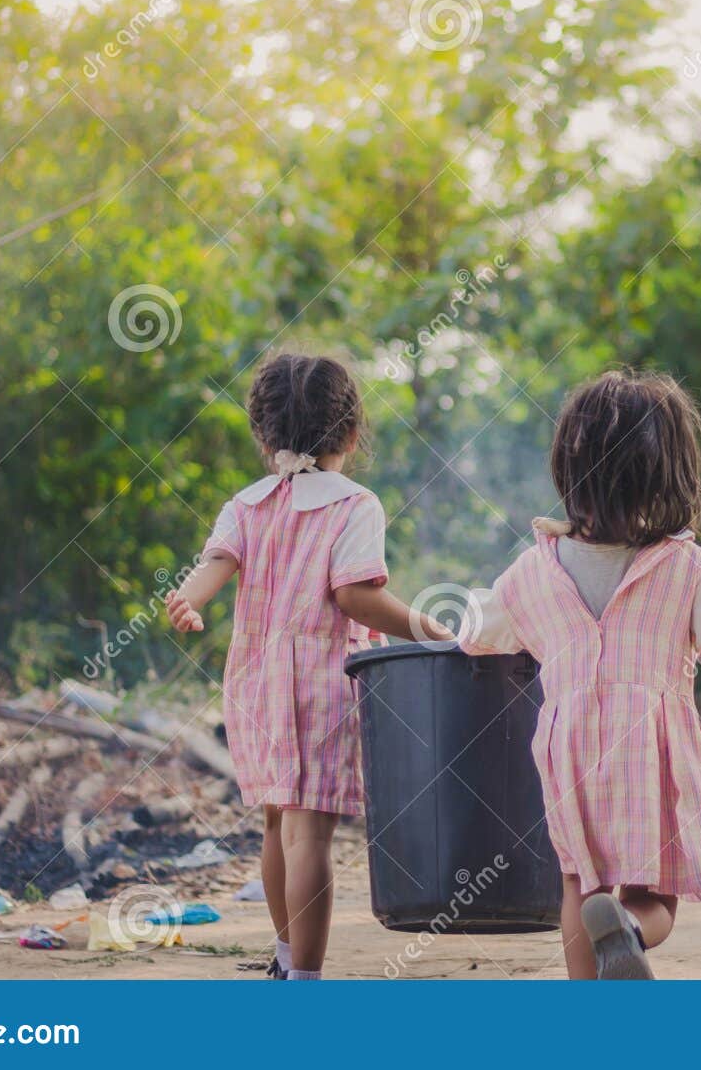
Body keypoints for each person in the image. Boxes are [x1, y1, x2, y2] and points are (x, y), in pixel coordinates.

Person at [459, 369, 701, 979]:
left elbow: (474, 638)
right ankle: (630, 929)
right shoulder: (683, 566)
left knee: (579, 881)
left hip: (567, 745)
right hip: (651, 748)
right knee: (653, 894)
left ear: (570, 471)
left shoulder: (533, 570)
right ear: (669, 476)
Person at [166, 353, 449, 980]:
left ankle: (289, 958)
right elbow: (355, 595)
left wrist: (189, 602)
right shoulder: (354, 505)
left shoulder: (247, 503)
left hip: (254, 678)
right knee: (309, 833)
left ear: (263, 436)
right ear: (349, 435)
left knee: (276, 821)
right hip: (319, 677)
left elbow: (213, 566)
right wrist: (432, 632)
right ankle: (308, 981)